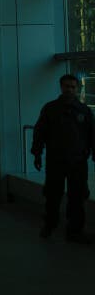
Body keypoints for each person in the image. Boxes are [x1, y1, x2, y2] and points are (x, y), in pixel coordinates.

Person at [31, 74, 95, 243]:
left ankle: (74, 231)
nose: (70, 89)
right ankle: (50, 225)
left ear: (77, 88)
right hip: (56, 160)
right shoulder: (50, 109)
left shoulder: (84, 110)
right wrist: (37, 153)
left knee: (77, 197)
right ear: (61, 87)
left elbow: (92, 135)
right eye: (67, 86)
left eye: (73, 87)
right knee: (53, 195)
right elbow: (40, 132)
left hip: (78, 161)